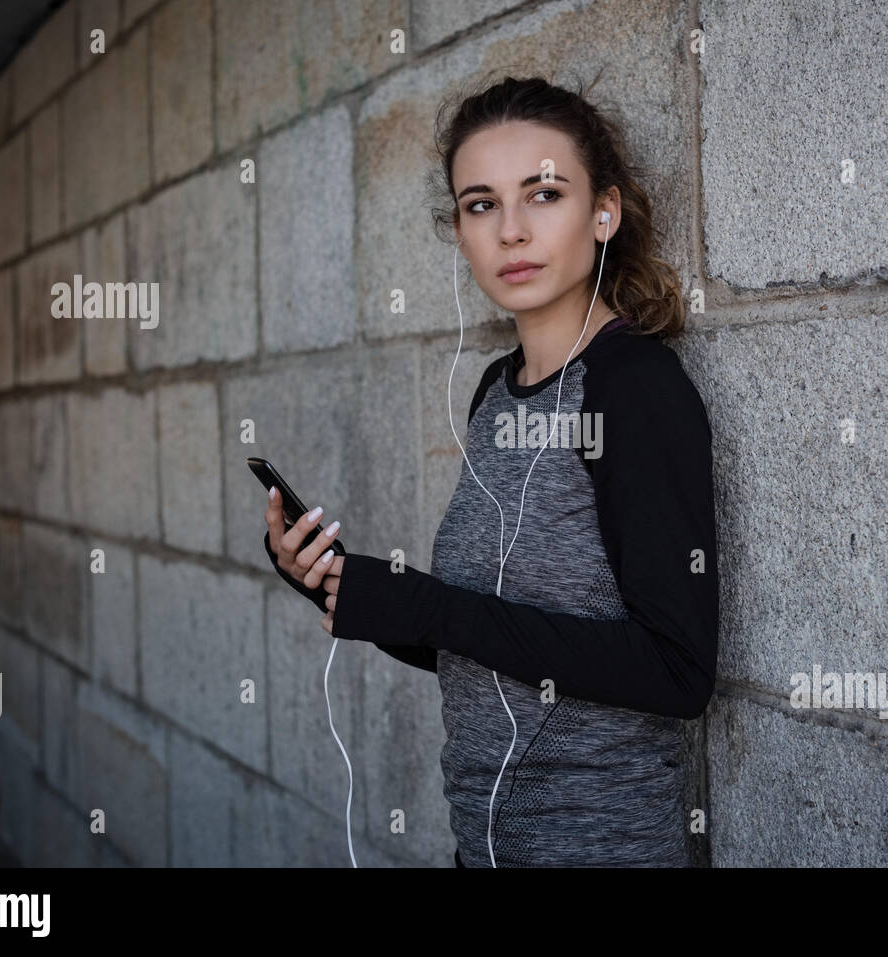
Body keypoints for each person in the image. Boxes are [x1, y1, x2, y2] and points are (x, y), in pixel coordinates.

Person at [262, 74, 718, 868]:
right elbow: (486, 653)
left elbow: (677, 671)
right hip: (483, 846)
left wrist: (432, 608)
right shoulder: (491, 395)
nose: (511, 230)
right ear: (459, 229)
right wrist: (344, 587)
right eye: (481, 204)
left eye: (543, 194)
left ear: (603, 211)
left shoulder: (634, 389)